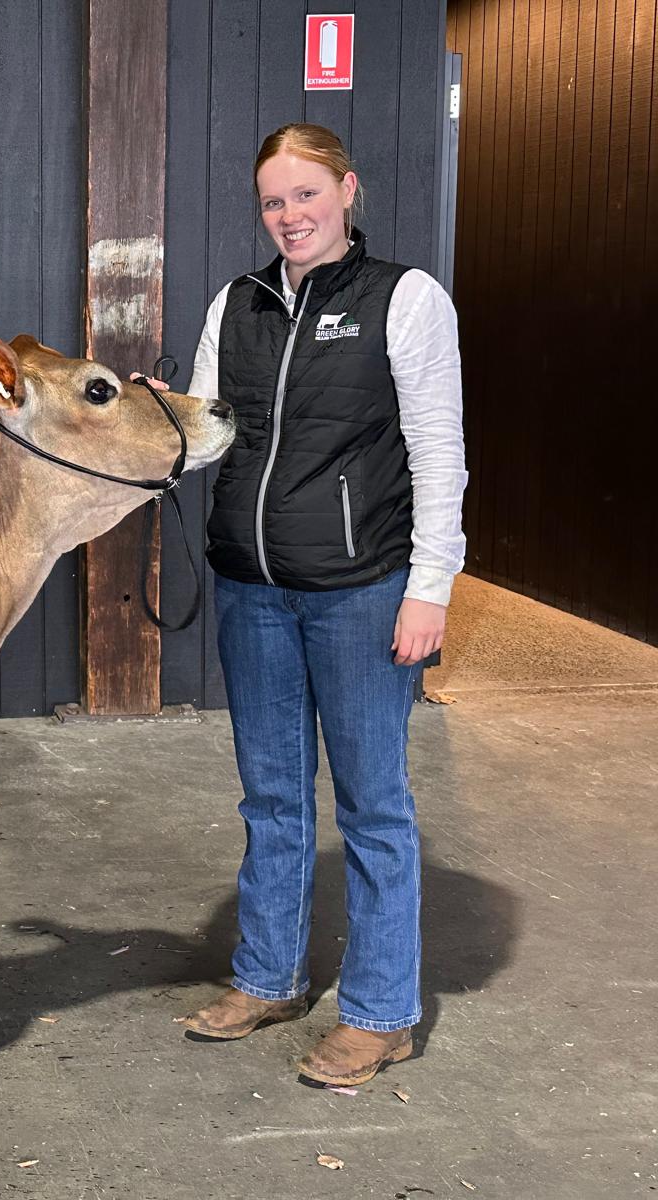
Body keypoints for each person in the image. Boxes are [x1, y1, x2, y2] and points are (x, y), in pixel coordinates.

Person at [172, 123, 467, 1086]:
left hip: (360, 593)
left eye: (306, 195)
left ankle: (381, 1012)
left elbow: (437, 455)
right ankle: (269, 977)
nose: (289, 216)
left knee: (374, 805)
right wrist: (146, 425)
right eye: (272, 201)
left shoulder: (406, 299)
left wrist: (430, 589)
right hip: (253, 590)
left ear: (348, 192)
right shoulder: (238, 303)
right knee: (271, 797)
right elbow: (209, 433)